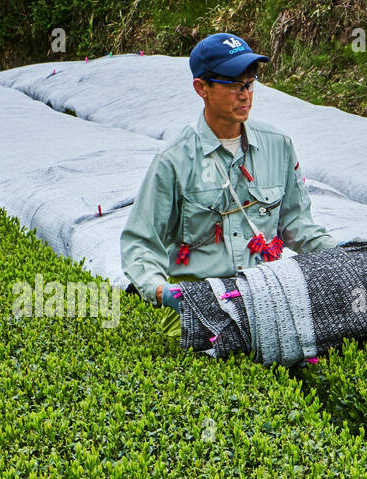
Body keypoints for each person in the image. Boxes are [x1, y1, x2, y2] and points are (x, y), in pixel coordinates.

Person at [120, 32, 337, 335]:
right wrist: (159, 290)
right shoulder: (174, 160)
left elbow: (298, 225)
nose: (245, 94)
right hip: (198, 303)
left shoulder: (279, 146)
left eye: (249, 83)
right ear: (202, 88)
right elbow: (141, 241)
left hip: (266, 298)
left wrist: (341, 258)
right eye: (233, 84)